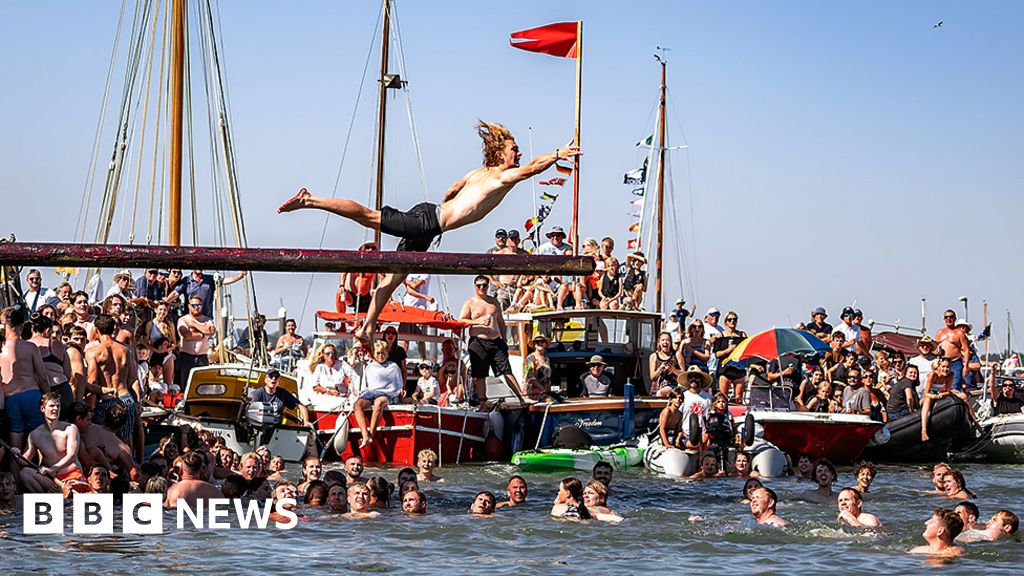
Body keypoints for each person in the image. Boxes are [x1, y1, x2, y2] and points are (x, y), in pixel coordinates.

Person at [280, 124, 580, 339]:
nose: (519, 153)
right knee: (369, 217)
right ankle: (310, 199)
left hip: (430, 219)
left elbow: (451, 189)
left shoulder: (478, 174)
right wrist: (559, 152)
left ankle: (367, 326)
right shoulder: (500, 178)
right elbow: (533, 169)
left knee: (395, 276)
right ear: (501, 154)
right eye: (515, 149)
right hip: (428, 222)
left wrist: (446, 211)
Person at [460, 275, 527, 407]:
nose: (482, 288)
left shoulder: (494, 302)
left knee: (507, 371)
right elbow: (461, 320)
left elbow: (501, 321)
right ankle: (482, 403)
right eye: (479, 285)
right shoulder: (470, 303)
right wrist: (477, 321)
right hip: (479, 342)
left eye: (484, 285)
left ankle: (522, 398)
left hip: (496, 341)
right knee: (480, 375)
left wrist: (504, 338)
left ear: (488, 285)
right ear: (474, 287)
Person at [15, 392, 85, 494]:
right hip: (53, 480)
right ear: (42, 409)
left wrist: (52, 469)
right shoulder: (35, 434)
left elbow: (72, 456)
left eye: (58, 406)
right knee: (25, 473)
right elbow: (25, 461)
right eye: (52, 405)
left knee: (75, 489)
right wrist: (17, 455)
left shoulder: (70, 428)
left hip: (72, 475)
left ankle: (63, 495)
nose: (56, 409)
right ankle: (46, 498)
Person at [3, 307, 52, 450]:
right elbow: (43, 377)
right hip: (30, 394)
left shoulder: (1, 349)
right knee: (41, 443)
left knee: (16, 448)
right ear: (22, 326)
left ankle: (16, 472)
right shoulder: (30, 347)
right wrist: (48, 395)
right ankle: (38, 471)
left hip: (10, 397)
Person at [353, 340, 404, 448]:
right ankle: (365, 435)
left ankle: (372, 434)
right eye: (378, 353)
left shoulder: (394, 367)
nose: (380, 356)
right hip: (372, 393)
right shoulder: (369, 367)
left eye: (383, 353)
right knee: (357, 404)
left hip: (388, 394)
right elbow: (365, 386)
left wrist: (398, 392)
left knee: (378, 402)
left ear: (387, 354)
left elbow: (398, 386)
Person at [176, 296, 215, 386]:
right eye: (194, 305)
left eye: (199, 305)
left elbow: (211, 332)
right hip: (186, 357)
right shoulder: (183, 320)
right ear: (189, 306)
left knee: (203, 385)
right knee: (184, 385)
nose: (196, 308)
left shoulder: (207, 320)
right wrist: (202, 334)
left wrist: (194, 324)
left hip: (202, 358)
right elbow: (186, 335)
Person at [712, 311, 747, 402]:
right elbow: (717, 354)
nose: (732, 321)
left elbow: (747, 350)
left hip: (738, 368)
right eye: (730, 319)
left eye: (734, 319)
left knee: (738, 398)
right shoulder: (720, 335)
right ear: (726, 322)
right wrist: (728, 350)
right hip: (725, 369)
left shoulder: (742, 335)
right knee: (723, 397)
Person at [936, 309, 971, 392]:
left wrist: (966, 366)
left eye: (951, 317)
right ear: (944, 319)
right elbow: (935, 348)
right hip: (941, 362)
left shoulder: (959, 333)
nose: (949, 319)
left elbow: (966, 350)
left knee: (954, 387)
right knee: (940, 386)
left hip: (955, 363)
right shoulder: (939, 332)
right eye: (946, 317)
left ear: (955, 318)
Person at [649, 331, 682, 396]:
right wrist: (660, 369)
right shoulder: (654, 356)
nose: (665, 342)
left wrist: (673, 370)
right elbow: (652, 377)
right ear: (659, 343)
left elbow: (683, 374)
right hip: (656, 388)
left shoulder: (677, 354)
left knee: (661, 393)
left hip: (672, 386)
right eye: (663, 340)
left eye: (668, 340)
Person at [522, 333, 553, 401]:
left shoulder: (547, 359)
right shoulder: (530, 358)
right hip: (532, 392)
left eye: (542, 341)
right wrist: (544, 390)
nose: (540, 343)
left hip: (544, 391)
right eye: (537, 342)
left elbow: (547, 379)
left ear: (545, 344)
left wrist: (548, 391)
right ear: (534, 345)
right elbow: (531, 378)